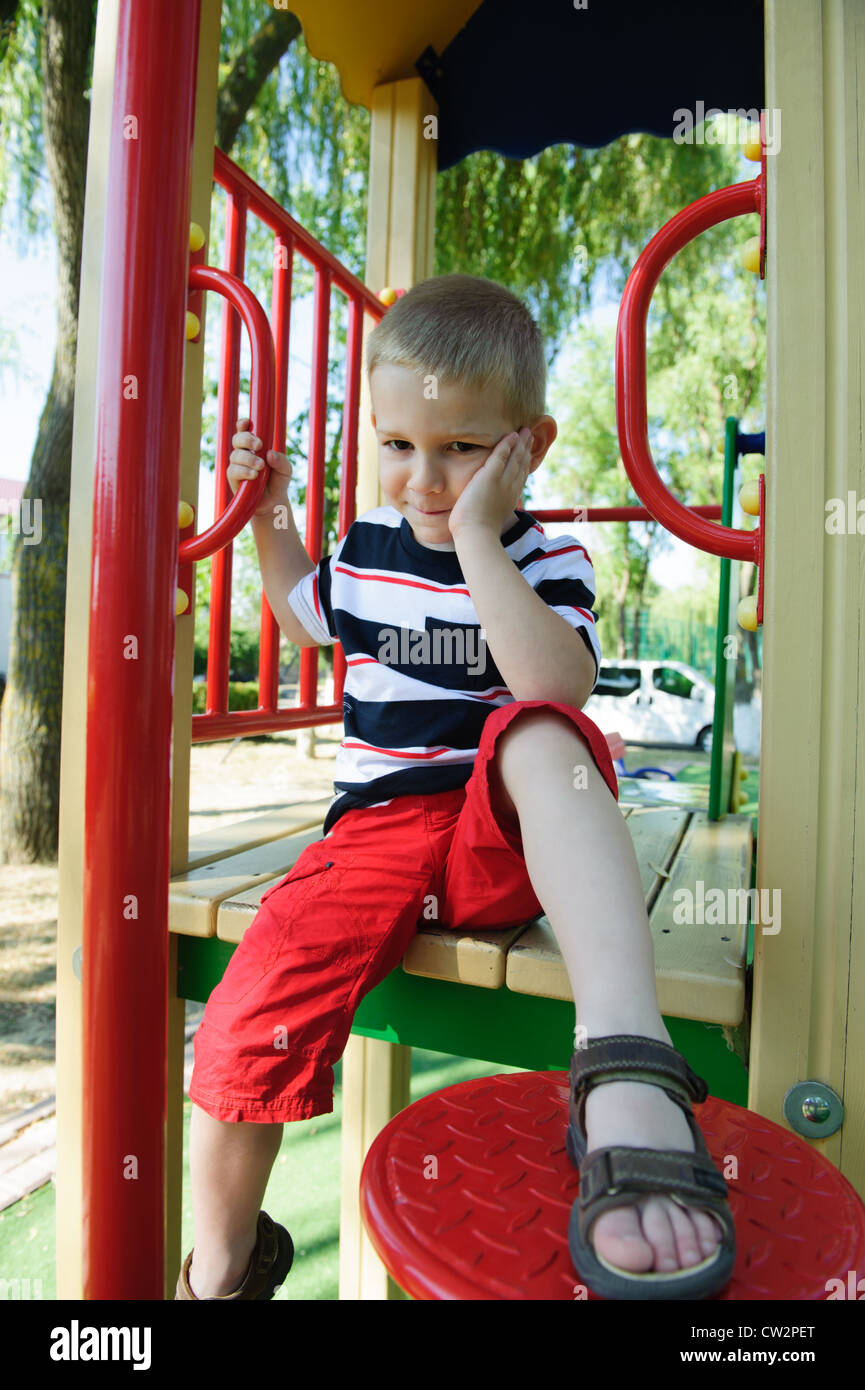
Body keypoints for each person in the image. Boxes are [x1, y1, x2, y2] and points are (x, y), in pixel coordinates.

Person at [176, 273, 734, 1302]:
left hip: (506, 835)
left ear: (529, 443)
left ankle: (622, 1054)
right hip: (376, 833)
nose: (425, 480)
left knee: (536, 730)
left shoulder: (543, 554)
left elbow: (556, 683)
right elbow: (304, 613)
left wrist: (480, 536)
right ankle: (218, 1271)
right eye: (399, 446)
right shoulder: (369, 550)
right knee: (241, 1015)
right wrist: (268, 515)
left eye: (461, 449)